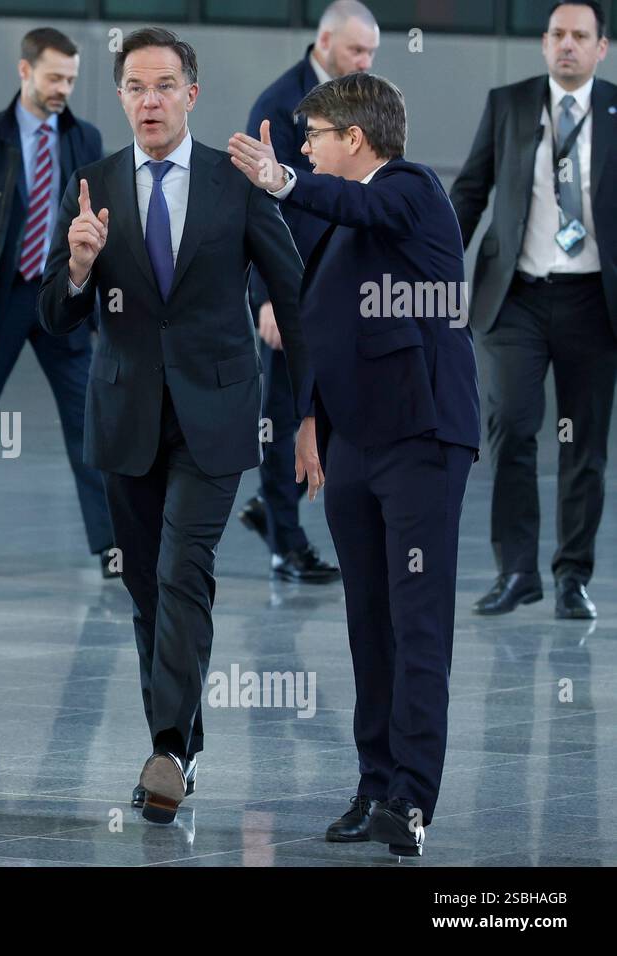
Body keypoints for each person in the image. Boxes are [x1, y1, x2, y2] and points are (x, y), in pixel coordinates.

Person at [37, 28, 309, 825]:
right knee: (147, 587)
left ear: (192, 94)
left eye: (164, 86)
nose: (148, 100)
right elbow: (57, 315)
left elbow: (290, 293)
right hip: (125, 416)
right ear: (119, 97)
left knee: (184, 569)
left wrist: (314, 410)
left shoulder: (234, 181)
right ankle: (185, 743)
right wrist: (80, 266)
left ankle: (164, 747)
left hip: (217, 414)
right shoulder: (93, 181)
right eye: (134, 87)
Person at [229, 71, 481, 856]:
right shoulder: (340, 227)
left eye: (316, 137)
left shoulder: (409, 190)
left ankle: (411, 798)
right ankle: (375, 785)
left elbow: (356, 202)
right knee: (368, 624)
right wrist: (309, 421)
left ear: (357, 140)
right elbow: (321, 322)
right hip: (354, 443)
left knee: (416, 625)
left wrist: (280, 179)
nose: (306, 147)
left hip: (421, 440)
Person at [450, 0, 615, 620]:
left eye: (580, 36)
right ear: (544, 44)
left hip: (594, 301)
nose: (566, 44)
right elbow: (470, 190)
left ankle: (572, 576)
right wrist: (435, 266)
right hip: (515, 296)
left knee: (585, 447)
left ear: (602, 47)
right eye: (556, 34)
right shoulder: (509, 104)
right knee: (512, 426)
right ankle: (517, 570)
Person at [0, 27, 114, 579]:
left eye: (71, 79)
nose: (63, 88)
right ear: (25, 71)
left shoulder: (86, 139)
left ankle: (111, 545)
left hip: (64, 294)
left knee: (89, 423)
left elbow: (102, 226)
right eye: (55, 76)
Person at [237, 0, 378, 583]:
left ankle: (271, 509)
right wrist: (266, 297)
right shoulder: (280, 103)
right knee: (288, 412)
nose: (365, 61)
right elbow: (257, 208)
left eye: (372, 52)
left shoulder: (363, 102)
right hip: (289, 287)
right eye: (355, 50)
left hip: (342, 279)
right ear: (323, 42)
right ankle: (286, 542)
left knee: (334, 407)